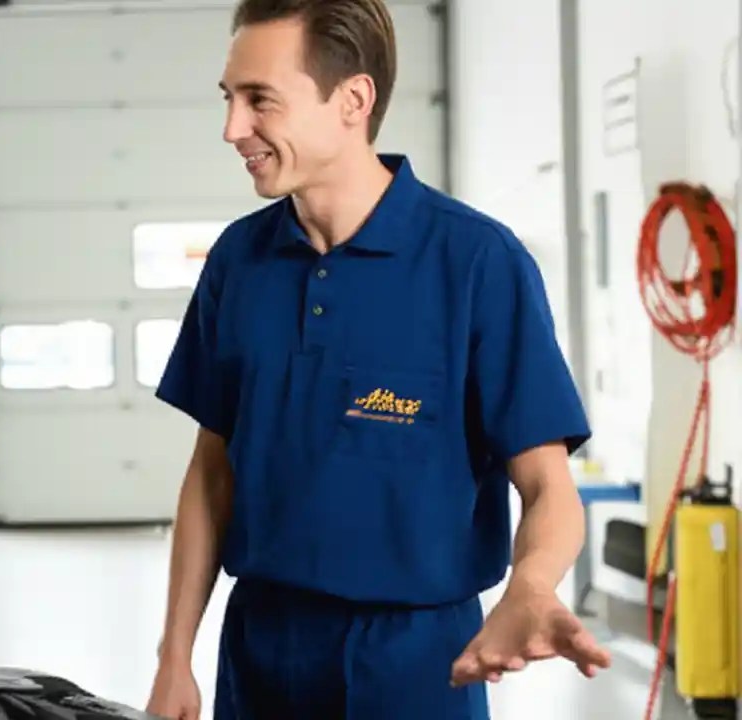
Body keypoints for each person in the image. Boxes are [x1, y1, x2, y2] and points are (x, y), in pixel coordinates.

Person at [144, 1, 612, 718]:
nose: (233, 128)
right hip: (262, 650)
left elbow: (549, 487)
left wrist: (532, 584)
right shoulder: (238, 262)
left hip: (421, 659)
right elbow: (212, 473)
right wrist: (175, 654)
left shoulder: (478, 263)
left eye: (259, 100)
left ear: (352, 100)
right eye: (230, 99)